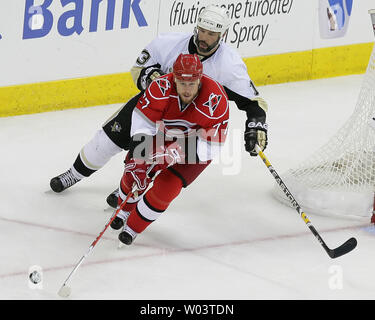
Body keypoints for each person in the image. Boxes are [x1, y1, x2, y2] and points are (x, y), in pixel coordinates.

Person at [50, 4, 268, 208]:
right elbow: (138, 69)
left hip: (187, 120)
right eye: (202, 30)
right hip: (149, 107)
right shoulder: (168, 43)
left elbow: (254, 102)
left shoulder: (229, 65)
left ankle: (126, 190)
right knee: (106, 140)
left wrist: (257, 126)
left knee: (155, 158)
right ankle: (74, 173)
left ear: (222, 35)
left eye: (211, 34)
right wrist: (149, 77)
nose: (204, 37)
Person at [111, 53, 229, 245]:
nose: (187, 89)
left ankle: (132, 227)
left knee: (167, 188)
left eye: (192, 84)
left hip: (196, 150)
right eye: (182, 83)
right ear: (174, 78)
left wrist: (174, 153)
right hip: (162, 136)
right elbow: (143, 122)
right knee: (134, 172)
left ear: (200, 79)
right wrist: (141, 159)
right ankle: (123, 210)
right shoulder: (160, 87)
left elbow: (213, 145)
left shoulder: (216, 100)